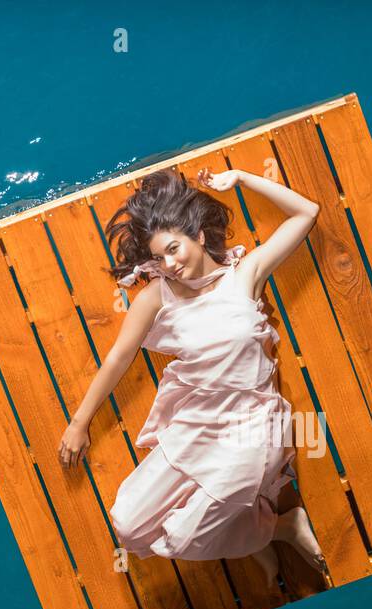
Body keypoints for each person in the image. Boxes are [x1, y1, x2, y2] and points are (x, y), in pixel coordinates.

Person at [57, 166, 327, 587]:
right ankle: (264, 529)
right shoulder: (155, 297)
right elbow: (117, 360)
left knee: (182, 536)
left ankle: (281, 527)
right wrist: (79, 422)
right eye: (158, 258)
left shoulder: (244, 276)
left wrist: (240, 179)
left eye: (173, 249)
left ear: (198, 235)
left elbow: (306, 213)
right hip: (196, 424)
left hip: (251, 429)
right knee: (128, 524)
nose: (169, 264)